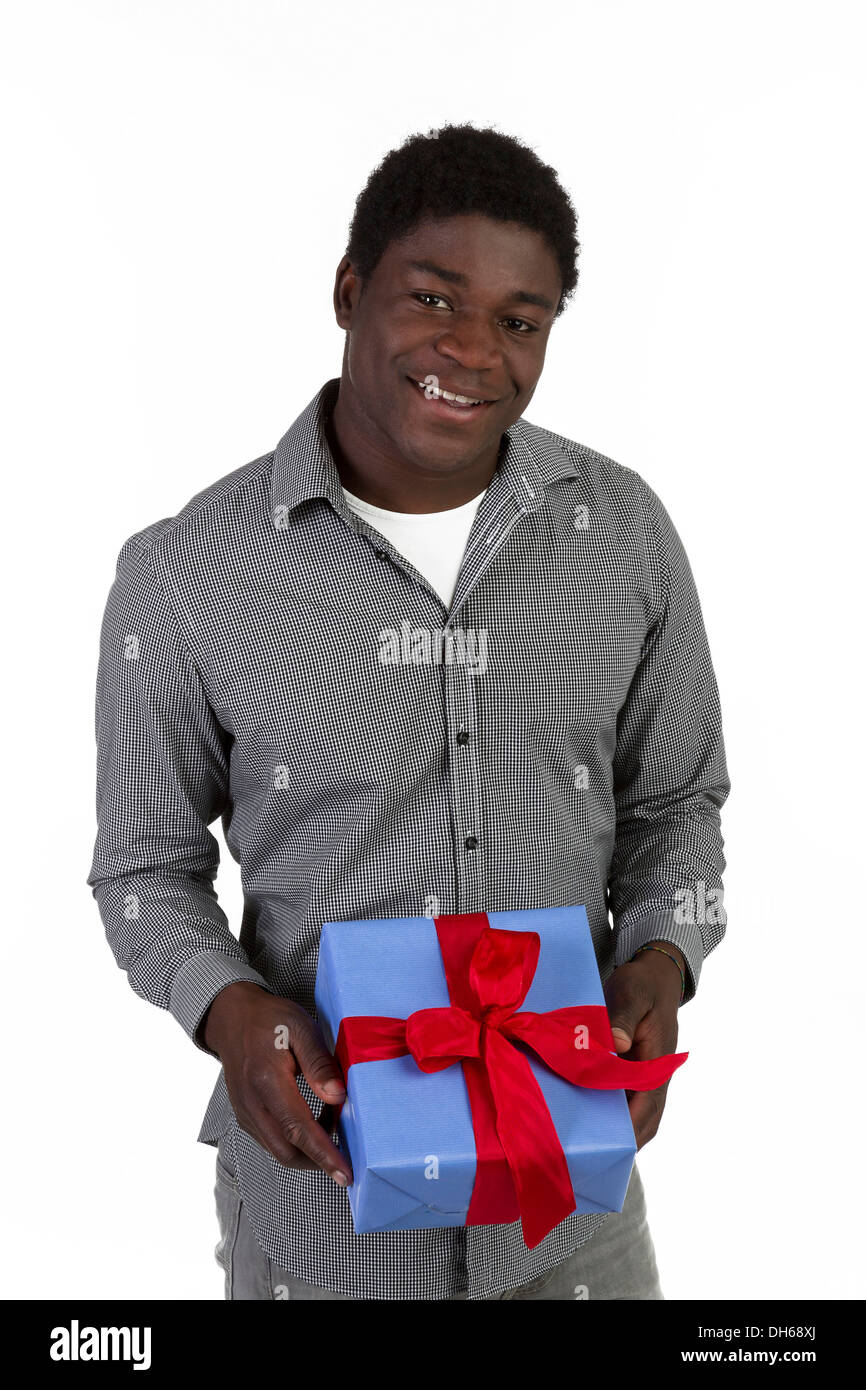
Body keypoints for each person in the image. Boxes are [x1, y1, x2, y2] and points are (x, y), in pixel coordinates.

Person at [87, 123, 730, 1301]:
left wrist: (660, 961)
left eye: (519, 320)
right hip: (323, 1225)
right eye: (432, 296)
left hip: (567, 1218)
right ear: (348, 290)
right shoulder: (185, 575)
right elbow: (141, 870)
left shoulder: (624, 532)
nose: (472, 349)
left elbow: (676, 802)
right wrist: (231, 1014)